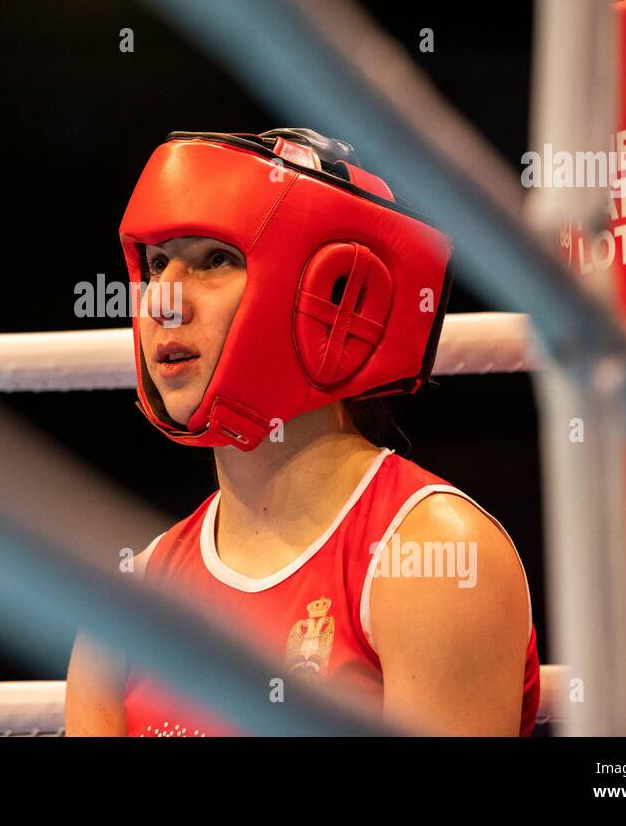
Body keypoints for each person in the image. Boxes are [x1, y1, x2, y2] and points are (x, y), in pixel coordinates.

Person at [66, 129, 539, 736]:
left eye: (214, 260)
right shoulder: (128, 602)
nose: (164, 302)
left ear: (328, 288)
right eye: (158, 264)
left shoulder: (433, 558)